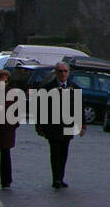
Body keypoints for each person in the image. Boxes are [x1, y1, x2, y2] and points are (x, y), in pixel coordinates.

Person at [36, 62, 85, 190]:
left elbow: (79, 108)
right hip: (53, 126)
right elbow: (40, 108)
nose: (63, 73)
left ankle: (60, 177)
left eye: (65, 71)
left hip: (68, 125)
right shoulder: (47, 88)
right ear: (56, 72)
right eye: (60, 71)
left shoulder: (75, 88)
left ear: (68, 72)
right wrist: (39, 125)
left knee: (64, 153)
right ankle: (56, 179)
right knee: (55, 153)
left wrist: (82, 125)